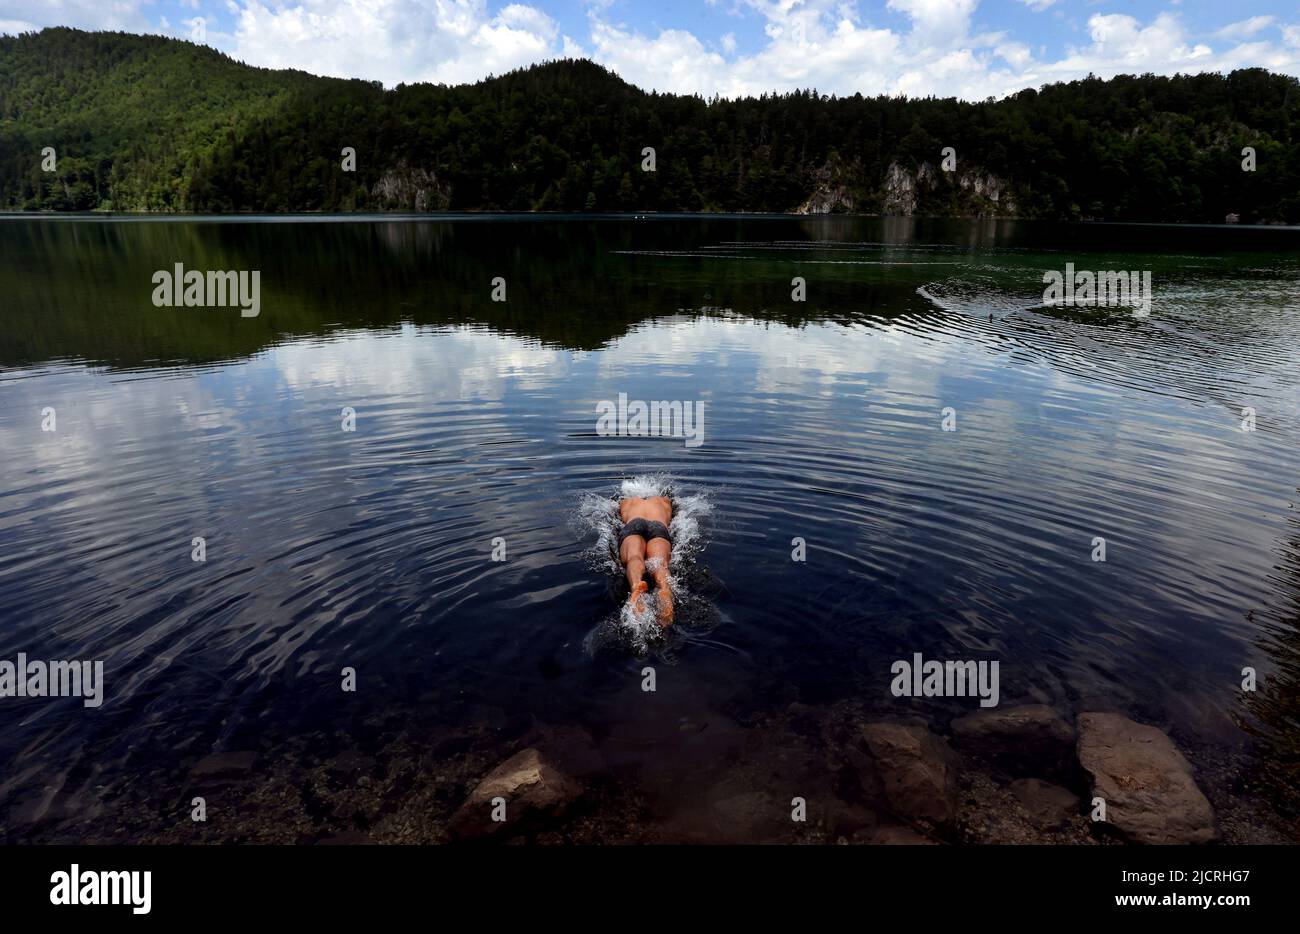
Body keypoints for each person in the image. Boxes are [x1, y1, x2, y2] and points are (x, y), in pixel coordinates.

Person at [617, 494, 674, 626]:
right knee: (660, 565)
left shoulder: (627, 501)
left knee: (634, 558)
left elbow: (618, 518)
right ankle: (664, 588)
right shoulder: (664, 500)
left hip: (634, 523)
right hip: (658, 525)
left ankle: (636, 584)